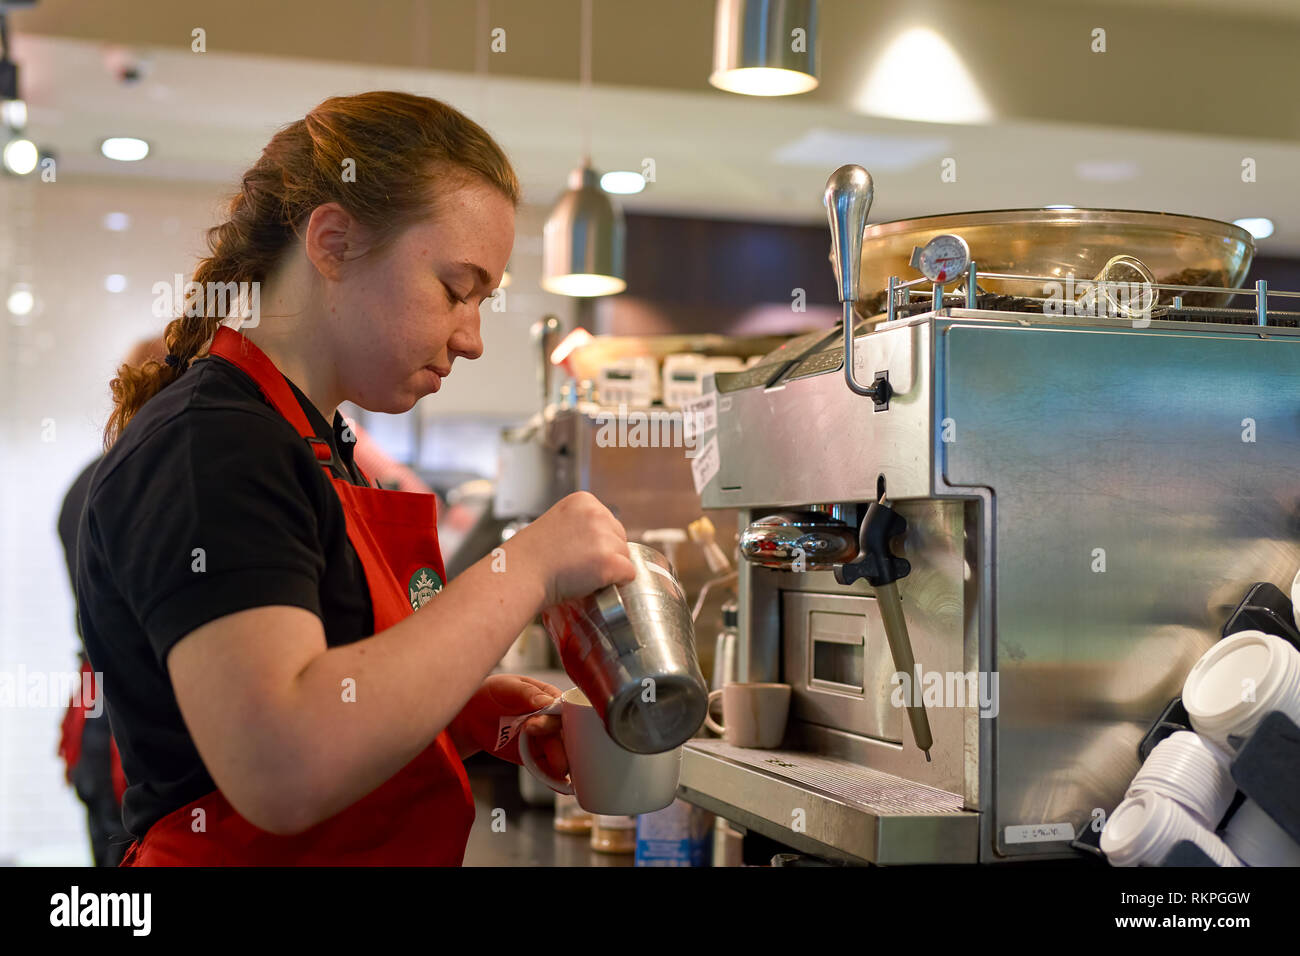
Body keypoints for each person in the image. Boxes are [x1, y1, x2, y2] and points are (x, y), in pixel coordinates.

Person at [75, 91, 635, 865]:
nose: (471, 338)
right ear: (333, 242)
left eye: (483, 301)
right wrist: (530, 566)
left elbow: (332, 677)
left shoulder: (310, 440)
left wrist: (462, 711)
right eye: (455, 288)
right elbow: (282, 764)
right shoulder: (210, 447)